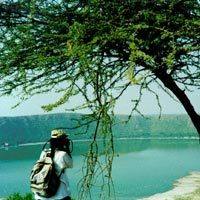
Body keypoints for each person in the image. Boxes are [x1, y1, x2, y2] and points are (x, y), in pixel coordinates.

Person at [34, 129, 73, 200]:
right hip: (60, 194)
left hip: (42, 194)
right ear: (62, 141)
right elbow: (71, 165)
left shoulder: (44, 152)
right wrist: (67, 148)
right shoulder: (63, 154)